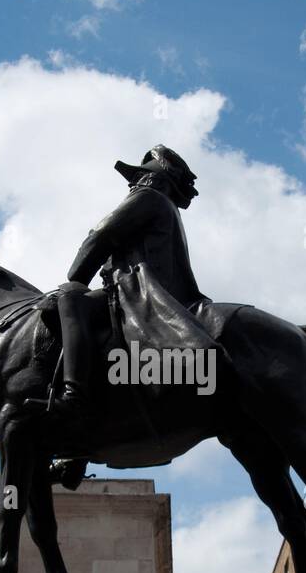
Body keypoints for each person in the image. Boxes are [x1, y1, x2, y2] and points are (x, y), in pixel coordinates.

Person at [44, 144, 206, 423]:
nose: (133, 183)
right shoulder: (166, 208)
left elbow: (102, 235)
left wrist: (77, 278)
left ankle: (74, 396)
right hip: (154, 291)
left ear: (152, 178)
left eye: (139, 176)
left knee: (70, 301)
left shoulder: (148, 197)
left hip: (139, 292)